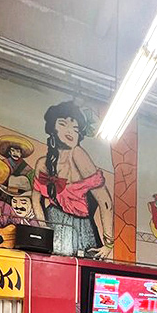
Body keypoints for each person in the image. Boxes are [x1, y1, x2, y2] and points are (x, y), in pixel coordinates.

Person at [33, 100, 114, 258]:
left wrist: (108, 243)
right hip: (54, 223)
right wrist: (44, 228)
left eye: (75, 129)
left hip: (80, 229)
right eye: (63, 124)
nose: (70, 131)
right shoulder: (42, 163)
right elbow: (36, 200)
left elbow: (105, 201)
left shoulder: (78, 154)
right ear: (52, 128)